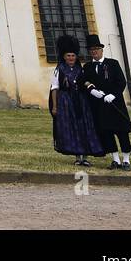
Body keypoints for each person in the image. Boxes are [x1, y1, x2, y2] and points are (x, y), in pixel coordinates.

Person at [80, 34, 131, 170]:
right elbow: (84, 81)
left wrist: (113, 95)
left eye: (97, 49)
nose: (94, 52)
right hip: (99, 105)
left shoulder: (113, 63)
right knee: (106, 132)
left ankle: (126, 160)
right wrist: (92, 90)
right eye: (92, 50)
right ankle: (115, 159)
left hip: (115, 103)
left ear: (102, 50)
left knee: (122, 132)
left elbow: (121, 82)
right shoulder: (87, 66)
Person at [50, 34, 105, 166]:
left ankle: (85, 156)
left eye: (73, 56)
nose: (71, 58)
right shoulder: (59, 70)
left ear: (76, 57)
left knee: (83, 127)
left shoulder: (81, 69)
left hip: (81, 101)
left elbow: (85, 83)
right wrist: (55, 106)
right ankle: (77, 156)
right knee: (72, 128)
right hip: (65, 101)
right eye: (68, 55)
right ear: (64, 56)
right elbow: (54, 88)